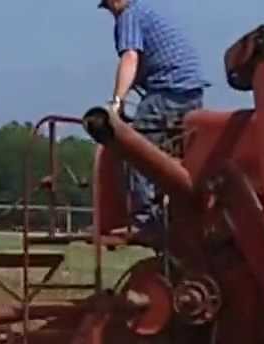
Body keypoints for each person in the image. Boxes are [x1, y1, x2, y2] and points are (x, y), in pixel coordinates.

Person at [99, 0, 208, 247]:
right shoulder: (150, 12)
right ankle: (175, 216)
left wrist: (116, 102)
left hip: (167, 91)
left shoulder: (129, 16)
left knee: (133, 152)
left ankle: (145, 221)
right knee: (169, 160)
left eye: (108, 6)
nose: (110, 11)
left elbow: (130, 57)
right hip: (190, 93)